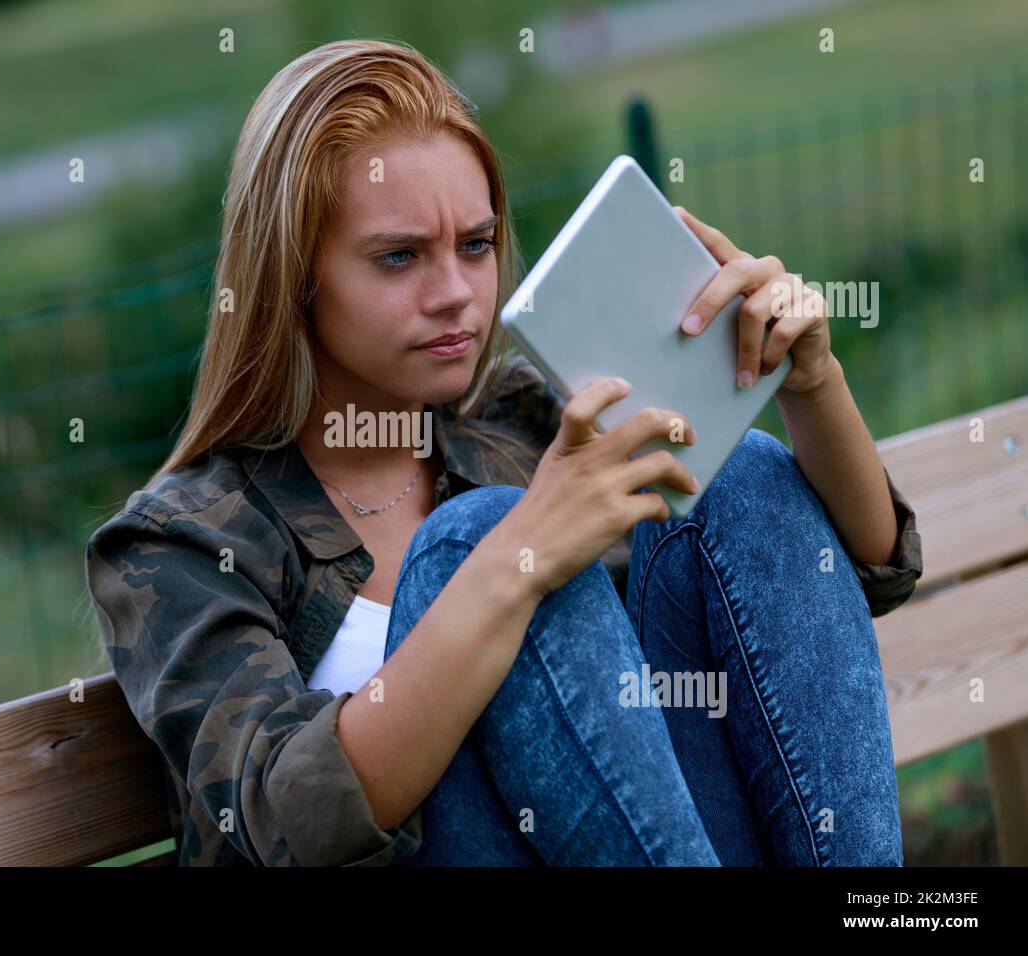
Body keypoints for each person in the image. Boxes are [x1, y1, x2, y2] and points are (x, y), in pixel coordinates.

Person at [85, 39, 923, 866]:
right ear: (294, 276)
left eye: (476, 245)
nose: (455, 293)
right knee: (468, 545)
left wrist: (812, 386)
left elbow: (850, 588)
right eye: (400, 256)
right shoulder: (183, 543)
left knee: (741, 475)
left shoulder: (529, 418)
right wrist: (517, 562)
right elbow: (280, 822)